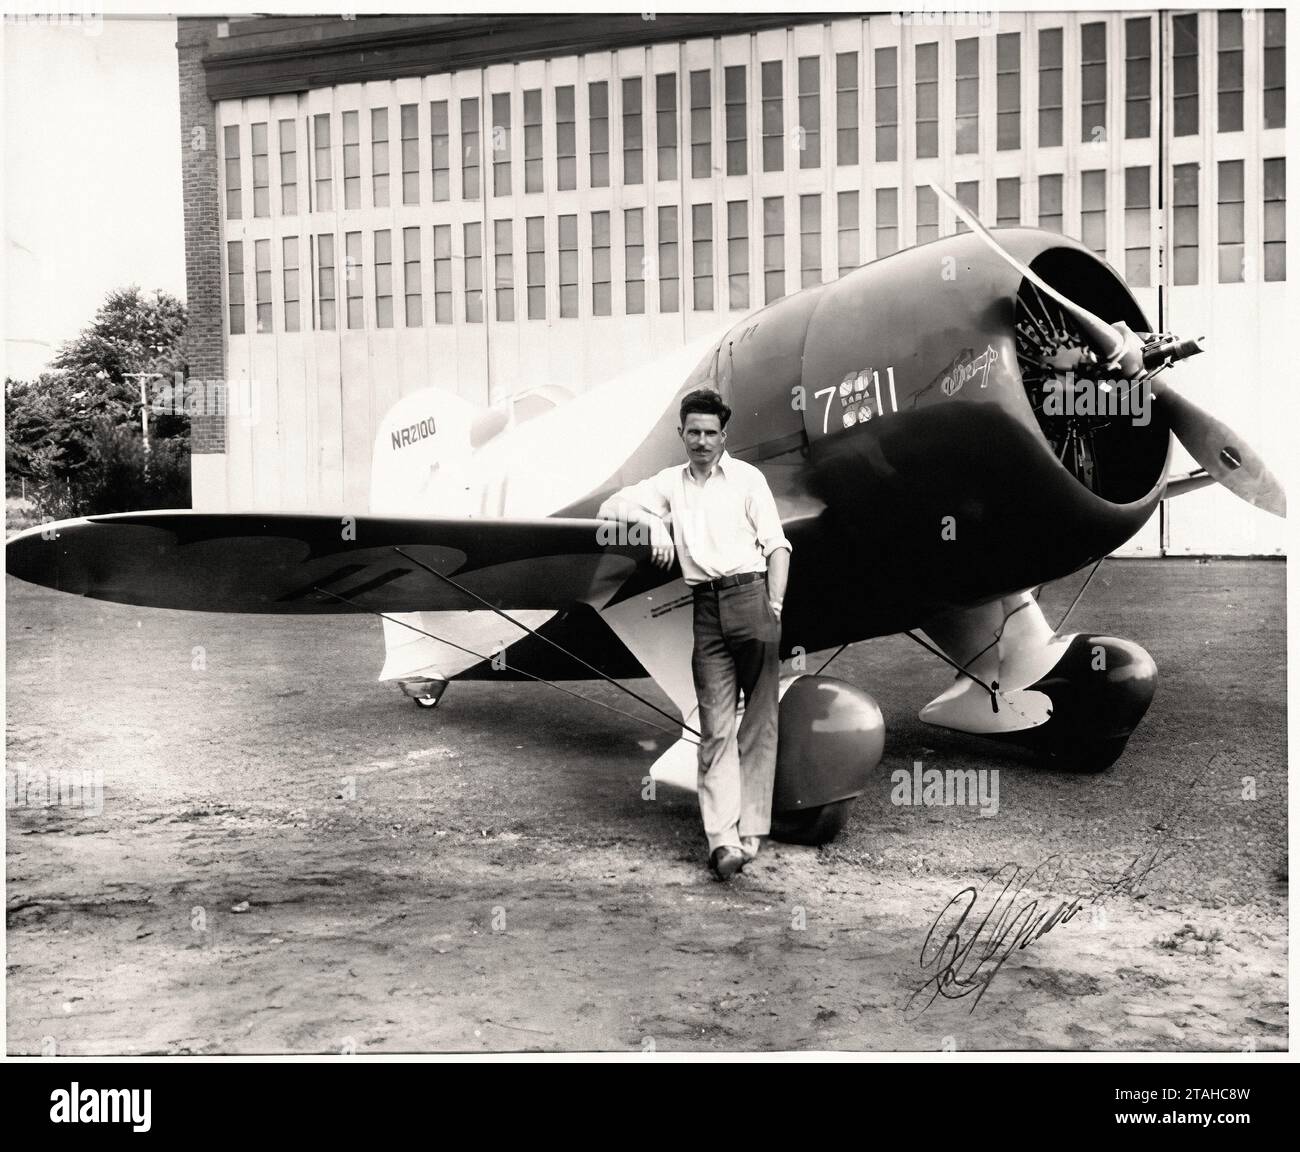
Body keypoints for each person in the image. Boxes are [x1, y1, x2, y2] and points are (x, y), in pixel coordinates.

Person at [598, 388, 791, 880]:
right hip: (705, 609)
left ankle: (751, 830)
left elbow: (777, 546)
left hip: (754, 600)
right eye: (693, 432)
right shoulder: (671, 483)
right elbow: (612, 506)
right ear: (681, 434)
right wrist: (655, 527)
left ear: (724, 435)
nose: (702, 441)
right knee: (715, 728)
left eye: (711, 433)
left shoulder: (748, 479)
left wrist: (774, 604)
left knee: (760, 723)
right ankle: (723, 842)